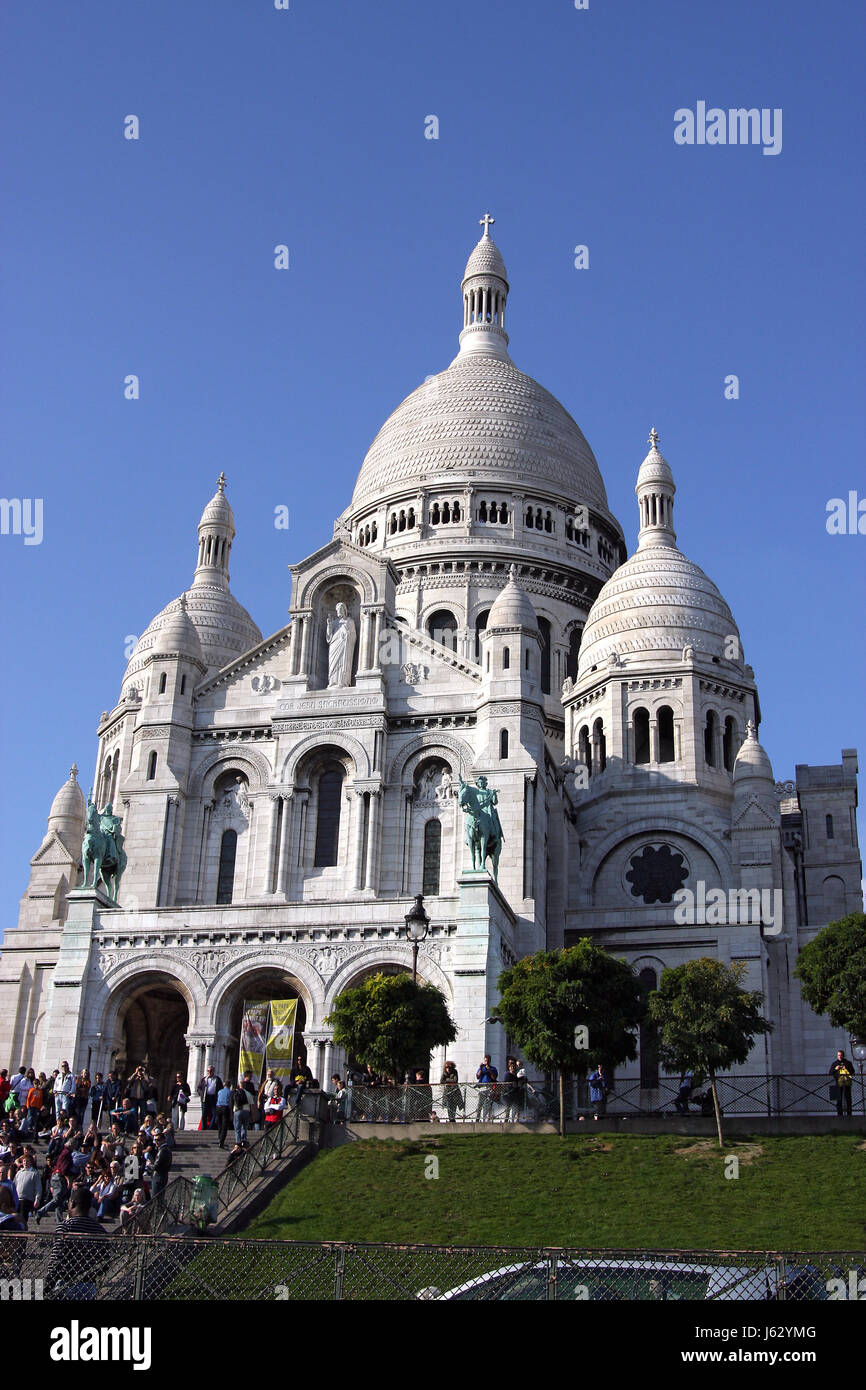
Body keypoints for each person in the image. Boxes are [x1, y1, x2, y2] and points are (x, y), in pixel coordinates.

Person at [45, 1187, 110, 1300]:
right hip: (89, 1284)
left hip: (65, 1281)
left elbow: (56, 1259)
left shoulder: (65, 1227)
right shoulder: (99, 1230)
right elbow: (105, 1260)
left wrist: (48, 1284)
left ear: (73, 1203)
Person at [829, 1049, 855, 1117]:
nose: (839, 1057)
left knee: (848, 1099)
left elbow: (852, 1071)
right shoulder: (835, 1063)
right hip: (838, 1083)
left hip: (846, 1083)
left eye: (841, 1055)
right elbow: (830, 1072)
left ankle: (849, 1114)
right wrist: (836, 1069)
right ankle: (839, 1115)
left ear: (843, 1056)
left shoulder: (848, 1063)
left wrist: (846, 1068)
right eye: (838, 1055)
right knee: (838, 1100)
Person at [148, 1131, 172, 1199]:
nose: (156, 1142)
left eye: (158, 1140)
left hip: (158, 1177)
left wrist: (149, 1164)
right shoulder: (166, 1149)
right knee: (159, 1198)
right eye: (155, 1140)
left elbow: (156, 1166)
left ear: (163, 1140)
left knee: (155, 1198)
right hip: (162, 1176)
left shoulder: (163, 1150)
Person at [198, 1065, 223, 1129]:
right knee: (204, 1114)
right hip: (205, 1098)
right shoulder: (204, 1079)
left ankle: (211, 1127)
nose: (209, 1072)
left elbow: (221, 1088)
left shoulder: (217, 1079)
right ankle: (204, 1127)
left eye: (211, 1071)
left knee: (214, 1113)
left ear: (213, 1071)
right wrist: (201, 1094)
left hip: (213, 1098)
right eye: (208, 1071)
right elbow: (199, 1088)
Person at [475, 1055, 498, 1121]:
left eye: (487, 1061)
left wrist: (489, 1070)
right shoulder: (481, 1068)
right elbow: (478, 1077)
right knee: (480, 1104)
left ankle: (486, 1119)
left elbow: (494, 1077)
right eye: (485, 1061)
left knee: (488, 1104)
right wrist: (481, 1069)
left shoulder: (493, 1069)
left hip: (489, 1088)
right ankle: (477, 1118)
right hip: (482, 1088)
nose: (486, 1062)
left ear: (490, 1061)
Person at [501, 1058, 521, 1123]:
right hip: (508, 1094)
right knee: (508, 1108)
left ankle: (516, 1120)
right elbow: (506, 1084)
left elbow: (519, 1081)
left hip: (515, 1094)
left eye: (513, 1067)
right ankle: (506, 1120)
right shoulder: (507, 1075)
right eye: (511, 1067)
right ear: (509, 1067)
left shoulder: (516, 1075)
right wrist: (512, 1085)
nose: (512, 1068)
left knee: (516, 1107)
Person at [232, 1081, 251, 1148]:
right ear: (245, 1086)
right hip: (246, 1111)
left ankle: (238, 1141)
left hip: (237, 1111)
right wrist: (252, 1114)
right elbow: (251, 1105)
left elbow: (232, 1102)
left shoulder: (236, 1093)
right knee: (244, 1127)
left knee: (237, 1128)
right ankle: (243, 1140)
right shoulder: (248, 1093)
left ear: (239, 1086)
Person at [215, 1081, 232, 1148]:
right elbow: (230, 1102)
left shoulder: (219, 1091)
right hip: (225, 1108)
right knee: (224, 1125)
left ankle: (219, 1138)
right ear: (230, 1086)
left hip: (218, 1107)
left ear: (224, 1085)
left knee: (220, 1124)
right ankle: (221, 1141)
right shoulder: (230, 1092)